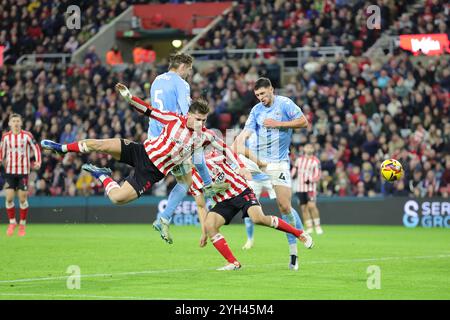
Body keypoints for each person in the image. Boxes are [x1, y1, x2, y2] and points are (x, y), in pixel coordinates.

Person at [40, 84, 241, 211]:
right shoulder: (172, 119)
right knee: (99, 144)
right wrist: (129, 97)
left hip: (151, 172)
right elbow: (148, 110)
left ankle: (101, 174)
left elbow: (225, 148)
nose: (201, 123)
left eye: (204, 120)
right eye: (198, 119)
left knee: (117, 199)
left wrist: (237, 165)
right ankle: (62, 148)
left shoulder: (205, 136)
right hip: (140, 151)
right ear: (189, 115)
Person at [189, 148, 313, 271]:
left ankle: (299, 233)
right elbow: (201, 206)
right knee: (210, 225)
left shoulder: (214, 157)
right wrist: (204, 233)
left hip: (241, 191)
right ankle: (233, 263)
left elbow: (236, 150)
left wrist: (243, 167)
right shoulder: (193, 180)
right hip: (224, 201)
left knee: (258, 219)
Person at [233, 77, 310, 268]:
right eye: (257, 95)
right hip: (257, 164)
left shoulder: (285, 104)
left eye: (263, 93)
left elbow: (303, 122)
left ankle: (294, 252)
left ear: (271, 90)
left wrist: (278, 124)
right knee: (249, 209)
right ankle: (247, 239)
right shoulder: (256, 110)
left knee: (284, 206)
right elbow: (246, 132)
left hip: (278, 163)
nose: (260, 98)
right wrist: (239, 141)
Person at [148, 53, 218, 244]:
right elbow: (187, 111)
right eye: (190, 68)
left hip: (154, 136)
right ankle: (211, 194)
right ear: (183, 66)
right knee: (189, 174)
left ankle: (164, 217)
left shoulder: (156, 80)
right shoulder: (181, 83)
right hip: (174, 136)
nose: (190, 72)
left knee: (190, 169)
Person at [237, 134, 305, 271]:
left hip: (270, 175)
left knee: (285, 207)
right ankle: (250, 239)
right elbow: (237, 148)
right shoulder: (248, 134)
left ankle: (298, 240)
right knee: (248, 209)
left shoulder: (274, 137)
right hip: (253, 178)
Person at [0, 113, 41, 236]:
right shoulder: (6, 137)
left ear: (21, 123)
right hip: (10, 172)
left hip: (23, 172)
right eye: (14, 121)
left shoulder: (27, 136)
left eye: (18, 121)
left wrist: (38, 161)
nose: (16, 123)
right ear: (9, 123)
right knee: (9, 197)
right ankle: (12, 222)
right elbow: (1, 150)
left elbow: (36, 148)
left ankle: (22, 224)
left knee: (23, 199)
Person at [292, 144, 323, 235]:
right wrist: (292, 176)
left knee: (312, 206)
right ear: (304, 149)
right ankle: (309, 227)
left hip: (310, 187)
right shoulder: (299, 160)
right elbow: (294, 170)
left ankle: (317, 226)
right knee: (303, 207)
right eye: (307, 147)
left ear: (313, 149)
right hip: (300, 187)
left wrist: (311, 180)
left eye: (311, 147)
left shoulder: (315, 161)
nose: (309, 148)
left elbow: (318, 175)